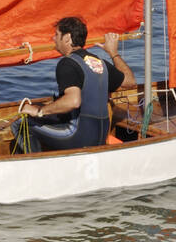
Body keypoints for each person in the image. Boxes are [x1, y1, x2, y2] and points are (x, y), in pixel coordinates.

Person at [11, 17, 136, 153]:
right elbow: (130, 82)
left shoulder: (67, 63)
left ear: (67, 38)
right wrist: (113, 53)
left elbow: (73, 101)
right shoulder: (100, 62)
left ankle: (36, 169)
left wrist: (39, 111)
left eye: (57, 35)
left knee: (21, 125)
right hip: (100, 136)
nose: (53, 39)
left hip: (78, 136)